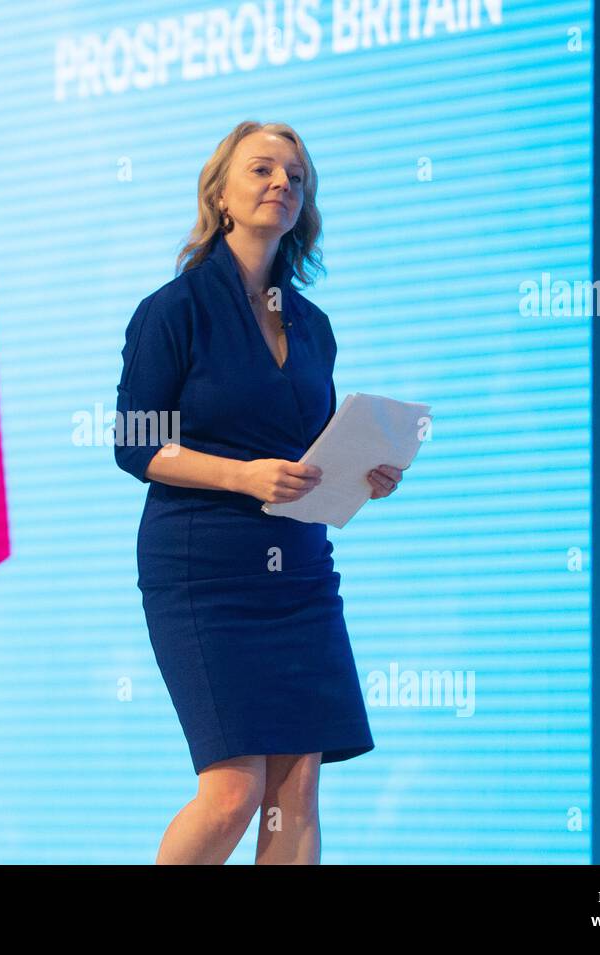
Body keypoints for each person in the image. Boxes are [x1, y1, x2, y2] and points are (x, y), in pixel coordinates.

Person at [113, 121, 405, 864]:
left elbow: (311, 456)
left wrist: (363, 479)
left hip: (301, 574)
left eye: (296, 177)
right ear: (222, 193)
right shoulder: (171, 311)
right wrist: (240, 475)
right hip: (204, 570)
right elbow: (136, 443)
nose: (282, 183)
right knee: (233, 792)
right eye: (262, 169)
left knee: (297, 789)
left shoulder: (313, 327)